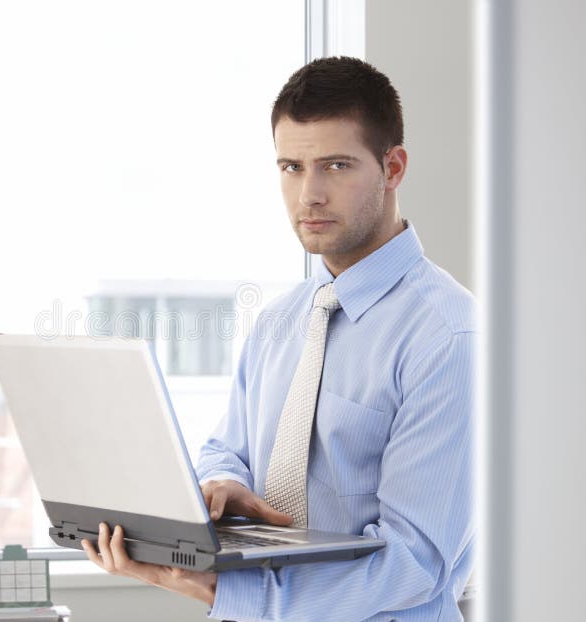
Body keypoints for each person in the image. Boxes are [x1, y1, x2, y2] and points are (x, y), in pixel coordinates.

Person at [82, 56, 475, 621]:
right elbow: (227, 447)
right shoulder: (282, 320)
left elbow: (414, 564)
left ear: (393, 167)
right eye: (291, 167)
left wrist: (227, 594)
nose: (309, 194)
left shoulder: (449, 338)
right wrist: (225, 484)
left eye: (336, 165)